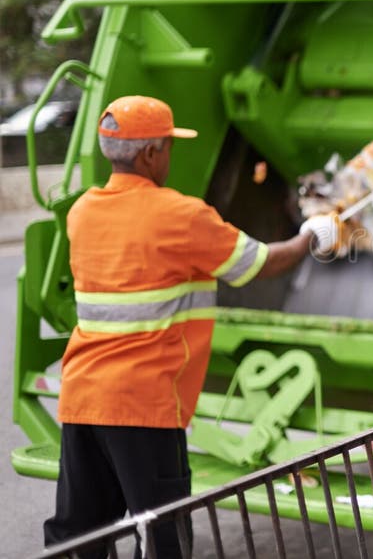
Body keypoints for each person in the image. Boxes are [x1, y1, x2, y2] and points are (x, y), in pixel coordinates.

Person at [42, 96, 340, 557]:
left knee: (80, 534)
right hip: (146, 404)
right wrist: (311, 236)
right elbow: (261, 263)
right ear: (148, 155)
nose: (169, 156)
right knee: (162, 533)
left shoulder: (83, 212)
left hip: (83, 398)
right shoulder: (179, 215)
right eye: (166, 147)